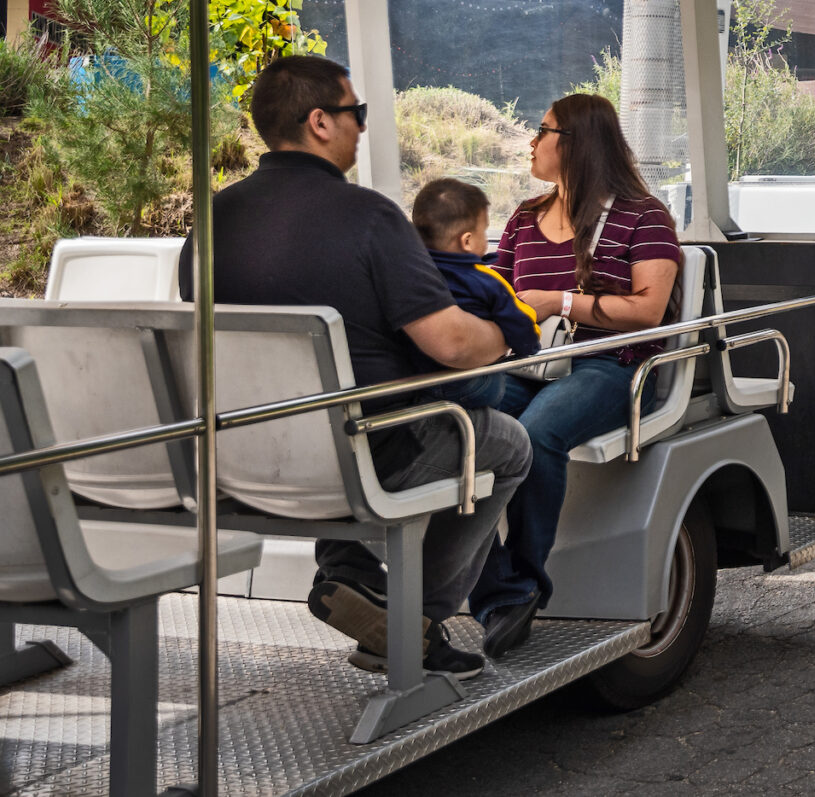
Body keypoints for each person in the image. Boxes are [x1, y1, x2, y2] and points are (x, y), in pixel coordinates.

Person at [182, 56, 530, 681]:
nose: (361, 129)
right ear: (320, 121)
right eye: (356, 114)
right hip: (360, 458)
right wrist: (505, 333)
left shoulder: (209, 221)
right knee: (505, 441)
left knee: (357, 411)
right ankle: (411, 622)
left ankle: (349, 571)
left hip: (232, 458)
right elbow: (451, 342)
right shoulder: (371, 218)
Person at [467, 93, 681, 659]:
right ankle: (497, 592)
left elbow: (647, 312)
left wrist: (558, 300)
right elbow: (498, 294)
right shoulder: (524, 217)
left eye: (543, 131)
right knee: (455, 428)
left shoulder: (642, 217)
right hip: (529, 361)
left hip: (608, 364)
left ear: (577, 144)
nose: (532, 142)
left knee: (536, 436)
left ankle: (525, 586)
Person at [411, 178, 544, 411]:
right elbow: (521, 322)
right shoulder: (486, 280)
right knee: (497, 383)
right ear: (468, 241)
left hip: (415, 380)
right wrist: (531, 344)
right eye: (483, 231)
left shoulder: (413, 274)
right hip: (469, 385)